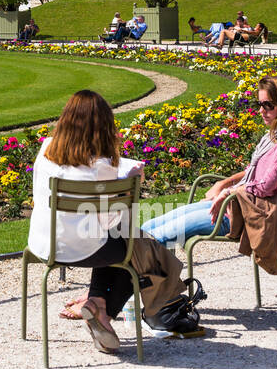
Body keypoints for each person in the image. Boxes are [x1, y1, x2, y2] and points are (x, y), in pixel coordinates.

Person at [27, 90, 181, 353]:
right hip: (83, 249)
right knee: (130, 249)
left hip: (44, 244)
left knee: (116, 243)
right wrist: (129, 186)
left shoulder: (46, 149)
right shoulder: (102, 166)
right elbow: (111, 222)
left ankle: (97, 302)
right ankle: (103, 312)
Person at [129, 75, 277, 253]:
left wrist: (227, 192)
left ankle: (150, 281)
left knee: (158, 236)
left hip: (242, 215)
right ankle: (149, 278)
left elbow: (266, 186)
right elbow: (254, 172)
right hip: (232, 205)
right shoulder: (273, 137)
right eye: (260, 104)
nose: (262, 111)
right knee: (148, 227)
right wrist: (224, 183)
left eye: (268, 105)